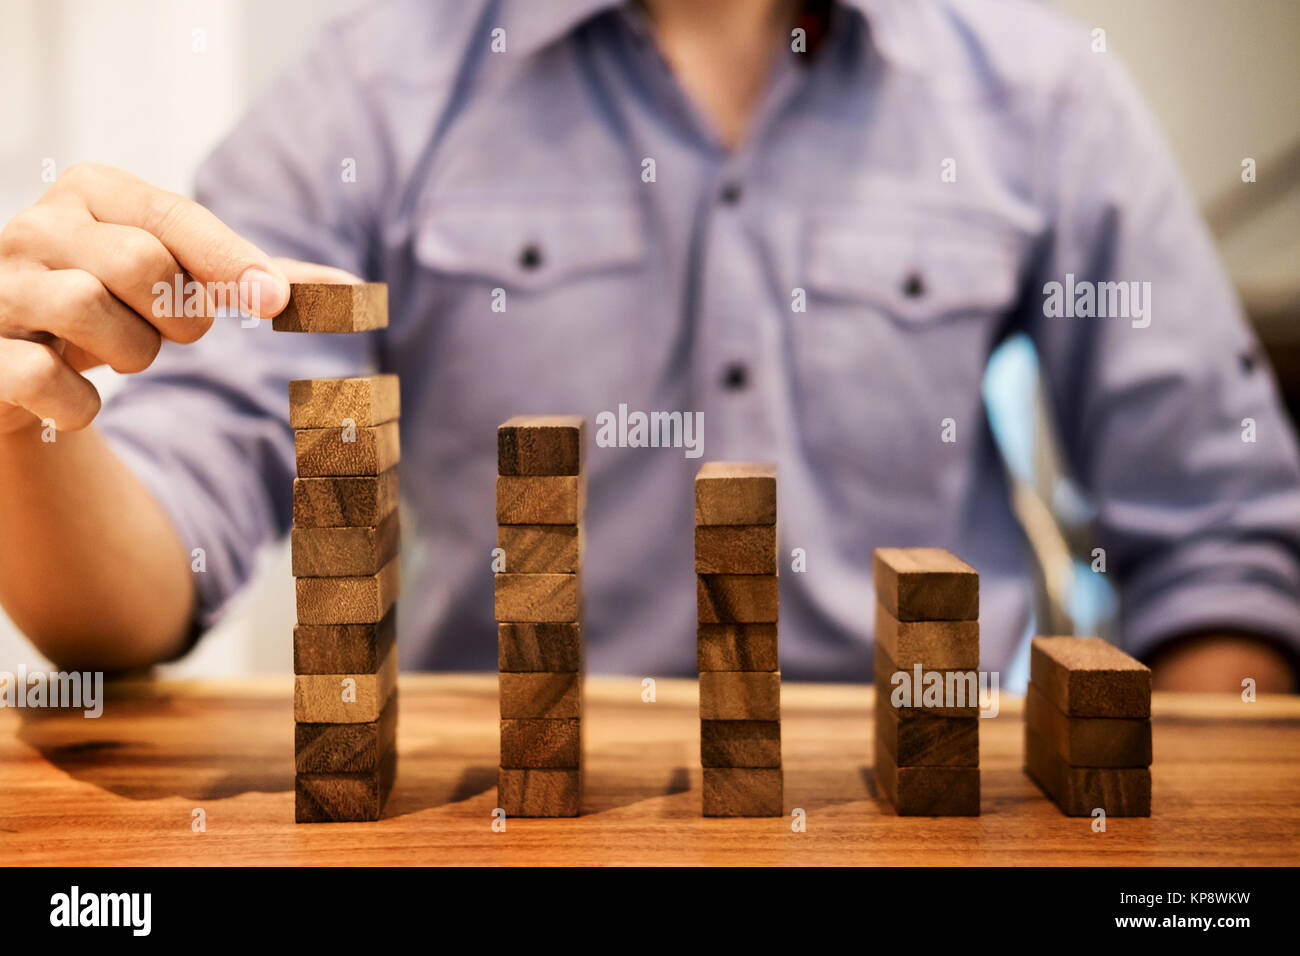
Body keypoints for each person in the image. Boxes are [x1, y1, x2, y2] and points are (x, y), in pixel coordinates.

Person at [1, 0, 1297, 690]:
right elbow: (149, 568)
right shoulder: (367, 88)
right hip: (502, 812)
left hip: (933, 808)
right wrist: (25, 428)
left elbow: (1226, 547)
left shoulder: (1043, 89)